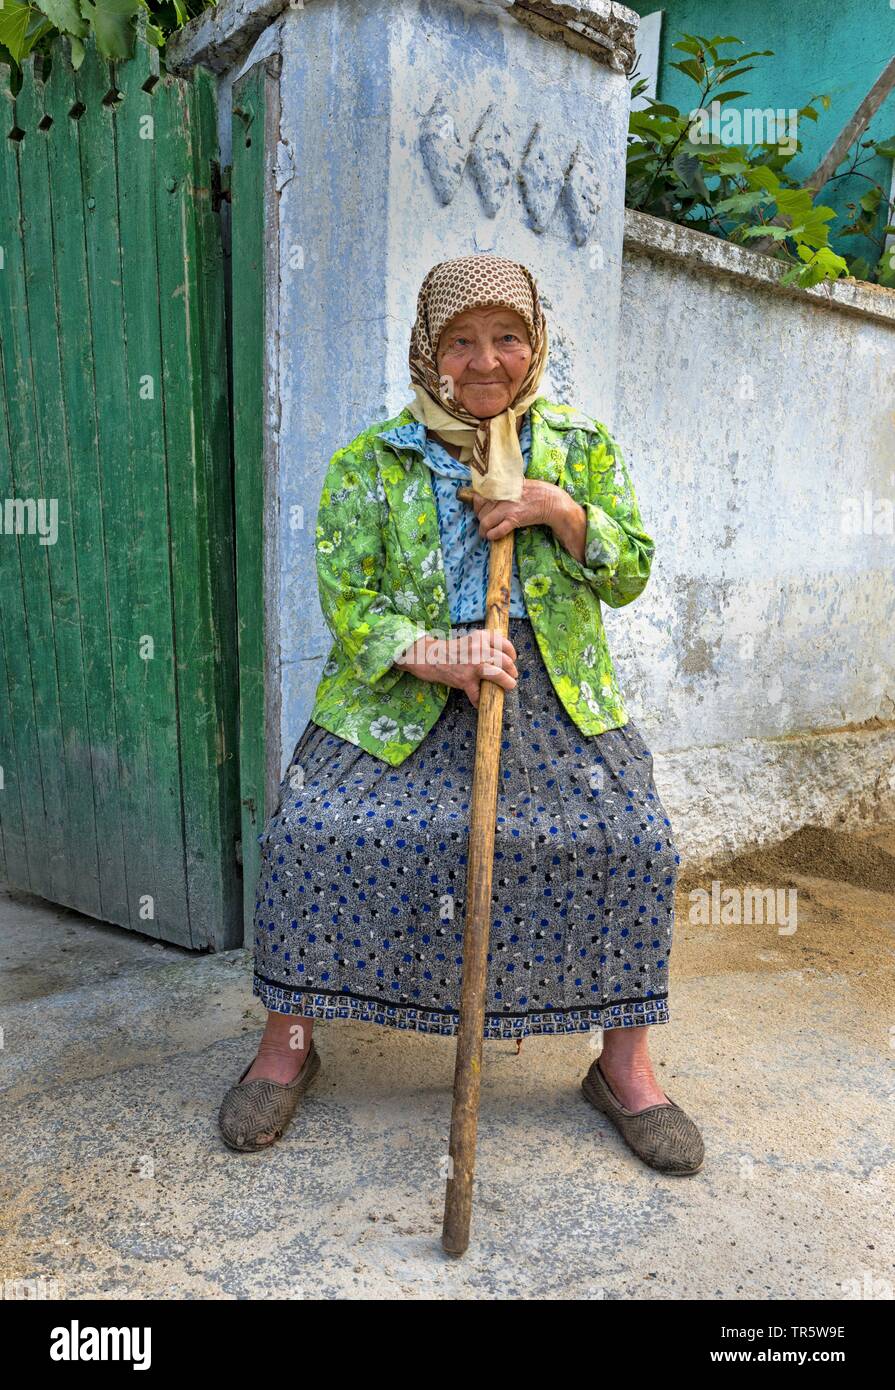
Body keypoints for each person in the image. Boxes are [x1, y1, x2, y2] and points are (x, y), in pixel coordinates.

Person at [218, 254, 704, 1175]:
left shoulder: (580, 446)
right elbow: (348, 601)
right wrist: (439, 654)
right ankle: (286, 1046)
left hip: (549, 688)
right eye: (461, 342)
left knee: (631, 841)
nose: (486, 361)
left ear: (535, 343)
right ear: (428, 353)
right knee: (312, 833)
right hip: (402, 695)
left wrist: (558, 509)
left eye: (506, 337)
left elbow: (631, 570)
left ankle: (624, 1067)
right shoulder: (372, 459)